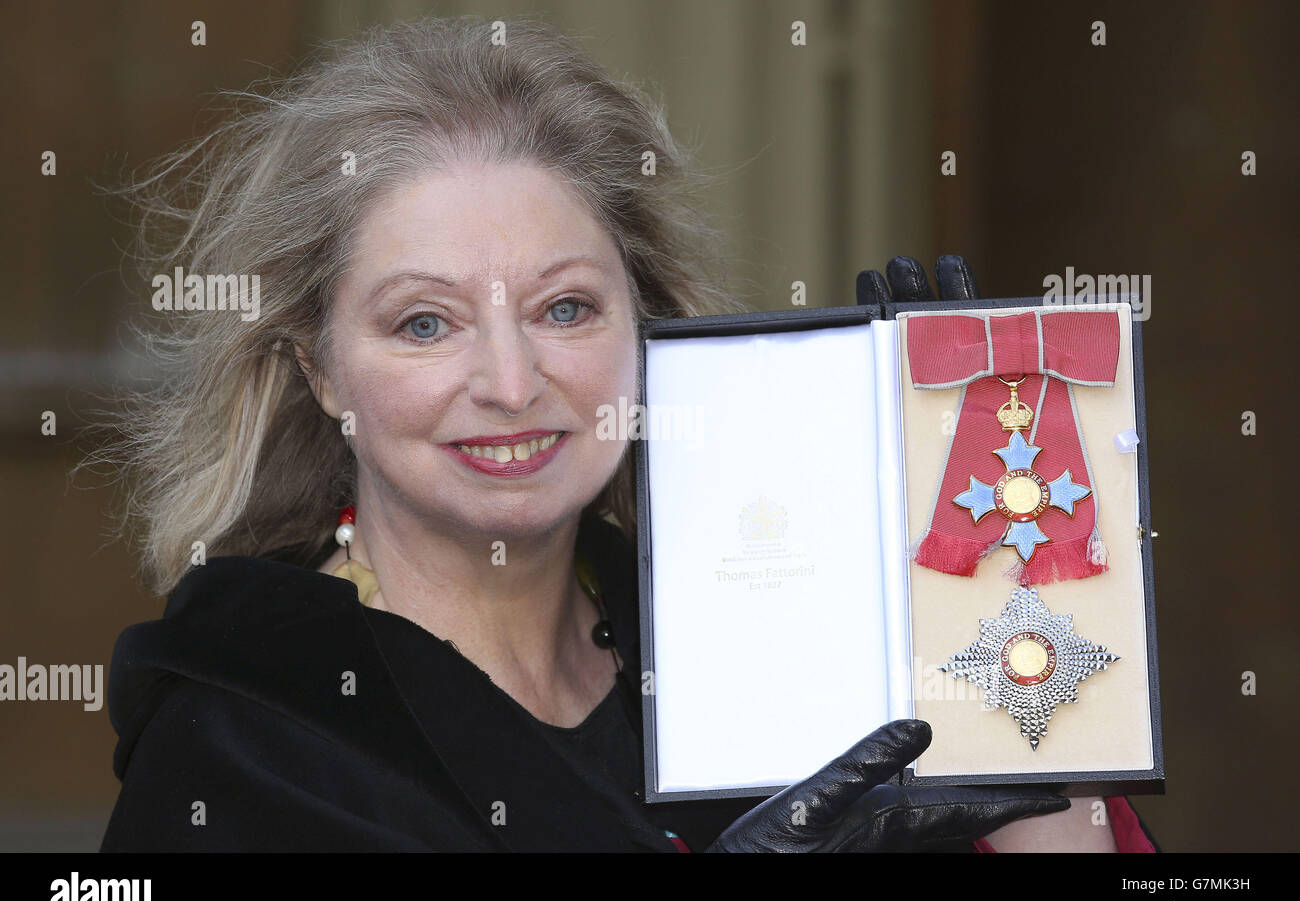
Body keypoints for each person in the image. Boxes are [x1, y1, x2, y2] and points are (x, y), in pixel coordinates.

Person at [95, 14, 1153, 852]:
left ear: (648, 327)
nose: (512, 384)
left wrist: (1013, 628)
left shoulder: (775, 648)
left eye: (565, 310)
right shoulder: (244, 750)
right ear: (319, 368)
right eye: (425, 322)